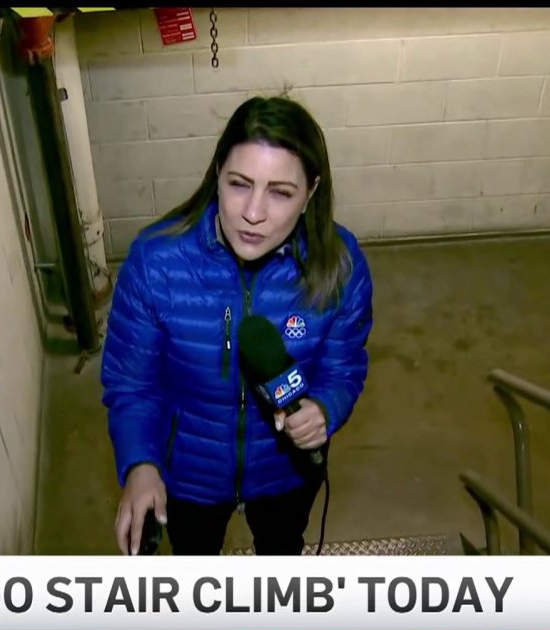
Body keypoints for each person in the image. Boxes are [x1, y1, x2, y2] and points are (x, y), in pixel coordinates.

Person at [100, 95, 374, 556]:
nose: (252, 212)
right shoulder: (155, 262)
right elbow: (131, 384)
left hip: (285, 473)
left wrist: (326, 408)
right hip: (188, 477)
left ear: (311, 192)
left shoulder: (341, 266)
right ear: (217, 175)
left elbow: (345, 368)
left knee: (282, 549)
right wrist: (141, 464)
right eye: (239, 184)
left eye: (281, 192)